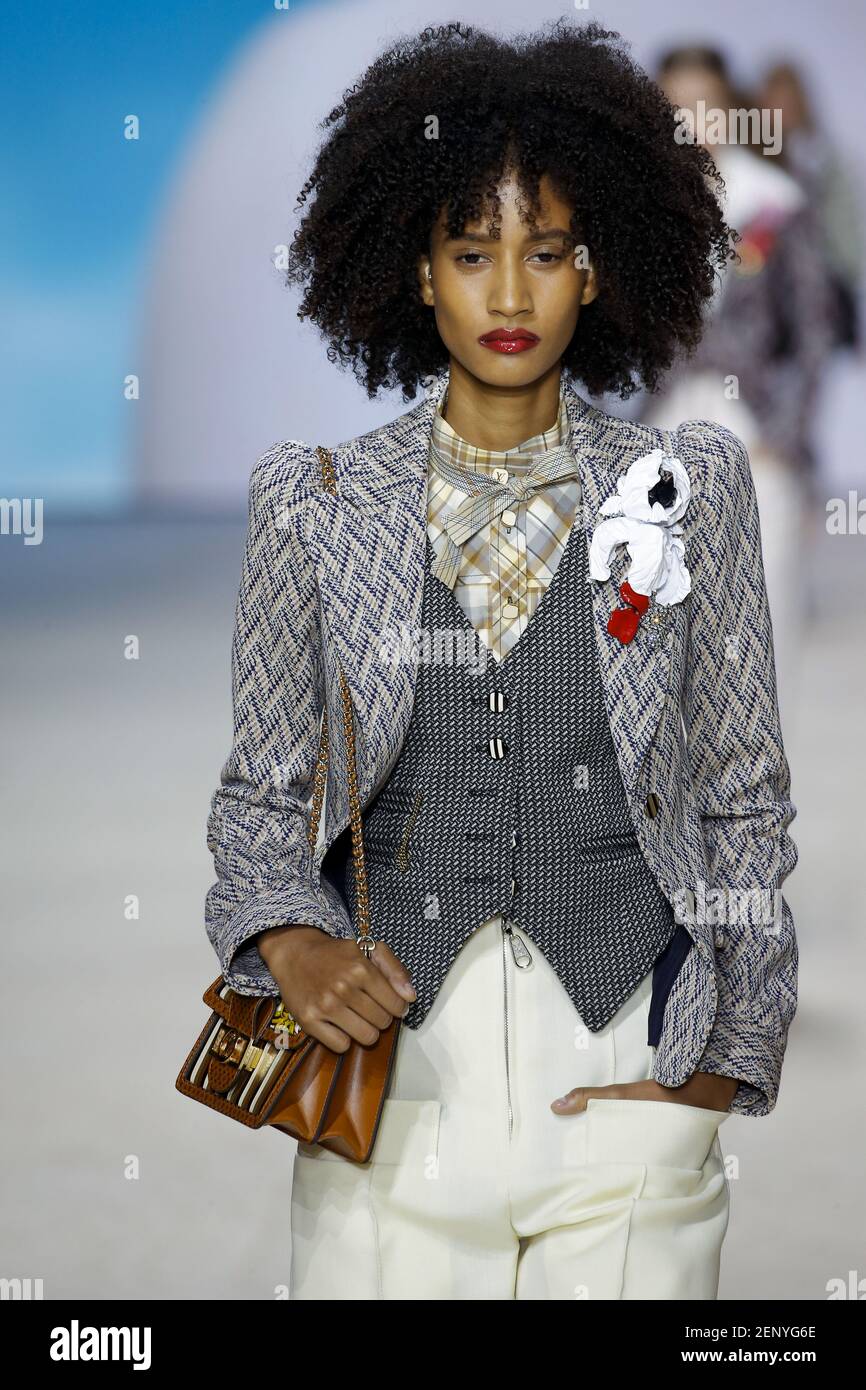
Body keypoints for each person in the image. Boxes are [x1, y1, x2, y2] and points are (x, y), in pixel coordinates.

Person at [204, 19, 799, 1301]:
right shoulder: (314, 504)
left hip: (630, 1074)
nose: (511, 295)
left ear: (600, 271)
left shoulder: (685, 487)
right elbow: (260, 801)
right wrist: (292, 945)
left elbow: (741, 792)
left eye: (548, 254)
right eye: (472, 254)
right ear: (417, 273)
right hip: (391, 1096)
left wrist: (719, 1062)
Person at [640, 46, 836, 717]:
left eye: (705, 105)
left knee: (763, 621)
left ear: (729, 110)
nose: (691, 121)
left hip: (753, 432)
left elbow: (814, 328)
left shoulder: (774, 204)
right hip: (656, 434)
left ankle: (760, 808)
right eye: (674, 107)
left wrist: (785, 434)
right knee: (659, 632)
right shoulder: (634, 209)